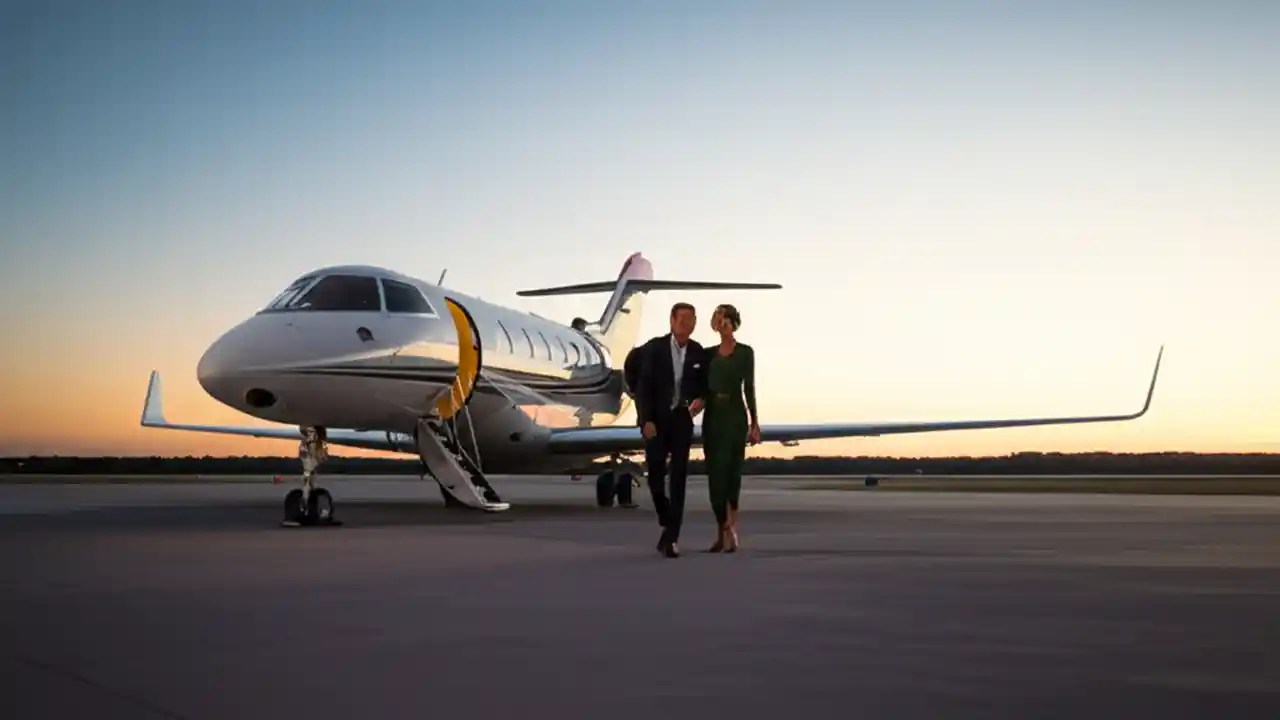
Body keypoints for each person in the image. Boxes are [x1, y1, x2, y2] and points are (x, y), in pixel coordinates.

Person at [634, 302, 707, 558]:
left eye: (692, 319)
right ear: (672, 321)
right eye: (684, 318)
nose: (688, 323)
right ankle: (665, 514)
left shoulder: (698, 352)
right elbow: (643, 387)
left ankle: (671, 538)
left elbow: (704, 385)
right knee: (654, 473)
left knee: (678, 477)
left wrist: (701, 400)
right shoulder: (655, 349)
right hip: (657, 420)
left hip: (681, 421)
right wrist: (645, 420)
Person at [701, 303, 759, 553]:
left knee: (732, 476)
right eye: (717, 318)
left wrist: (755, 423)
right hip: (713, 416)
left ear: (734, 323)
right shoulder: (707, 354)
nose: (721, 323)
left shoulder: (745, 352)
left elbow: (750, 388)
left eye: (725, 319)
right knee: (715, 478)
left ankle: (729, 530)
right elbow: (702, 389)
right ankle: (722, 531)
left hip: (735, 416)